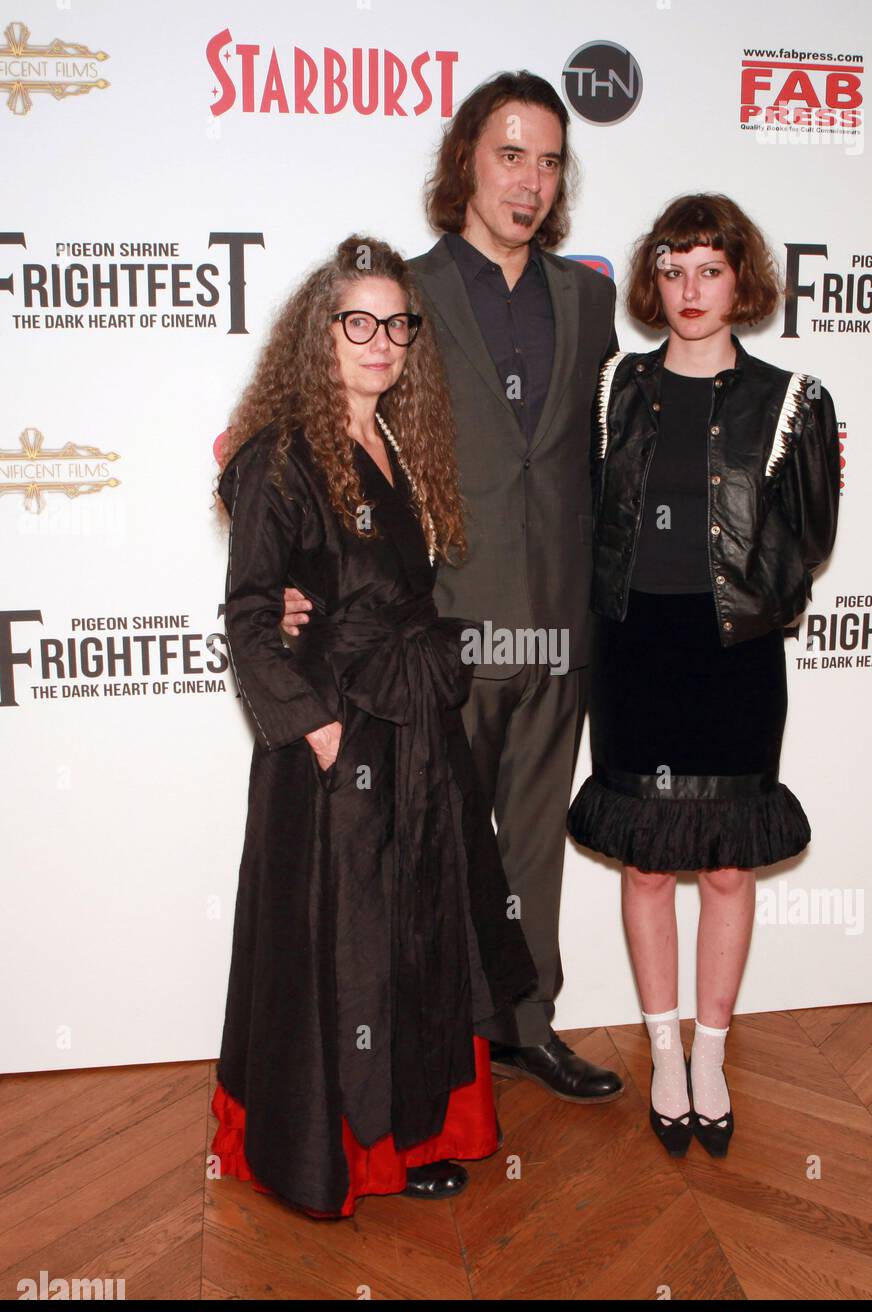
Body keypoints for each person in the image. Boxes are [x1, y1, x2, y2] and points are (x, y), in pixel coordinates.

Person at [284, 72, 624, 1103]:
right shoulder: (408, 292)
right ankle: (426, 1051)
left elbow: (599, 460)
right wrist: (299, 581)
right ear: (466, 161)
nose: (530, 180)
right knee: (424, 849)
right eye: (509, 154)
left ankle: (526, 1024)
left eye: (550, 160)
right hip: (442, 627)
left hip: (557, 625)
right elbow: (331, 425)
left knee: (530, 843)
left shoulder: (589, 296)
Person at [210, 235, 537, 1218]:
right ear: (321, 332)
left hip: (413, 740)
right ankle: (344, 1152)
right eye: (360, 322)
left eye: (397, 324)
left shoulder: (398, 443)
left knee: (414, 936)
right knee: (347, 946)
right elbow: (251, 616)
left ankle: (411, 1129)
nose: (382, 341)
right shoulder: (280, 457)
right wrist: (314, 730)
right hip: (336, 751)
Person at [567, 193, 841, 1157]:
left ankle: (712, 1049)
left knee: (724, 863)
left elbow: (809, 538)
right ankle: (663, 1053)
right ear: (654, 281)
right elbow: (590, 513)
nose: (690, 288)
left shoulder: (792, 398)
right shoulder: (612, 387)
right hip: (633, 647)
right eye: (673, 268)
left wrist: (746, 595)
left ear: (740, 280)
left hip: (733, 655)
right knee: (647, 860)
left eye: (709, 268)